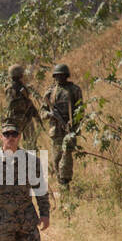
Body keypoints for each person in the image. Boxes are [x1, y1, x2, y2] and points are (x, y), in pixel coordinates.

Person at [41, 63, 83, 191]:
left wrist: (73, 123)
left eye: (62, 75)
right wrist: (50, 114)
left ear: (66, 76)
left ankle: (65, 185)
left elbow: (81, 110)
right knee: (56, 159)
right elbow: (42, 112)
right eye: (57, 76)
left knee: (66, 158)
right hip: (56, 131)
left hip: (69, 130)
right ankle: (61, 183)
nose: (60, 78)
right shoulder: (50, 92)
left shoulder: (74, 90)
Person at [2, 64, 40, 149]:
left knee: (30, 142)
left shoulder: (18, 87)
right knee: (27, 142)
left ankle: (27, 159)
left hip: (22, 118)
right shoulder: (12, 88)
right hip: (18, 119)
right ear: (21, 75)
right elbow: (11, 105)